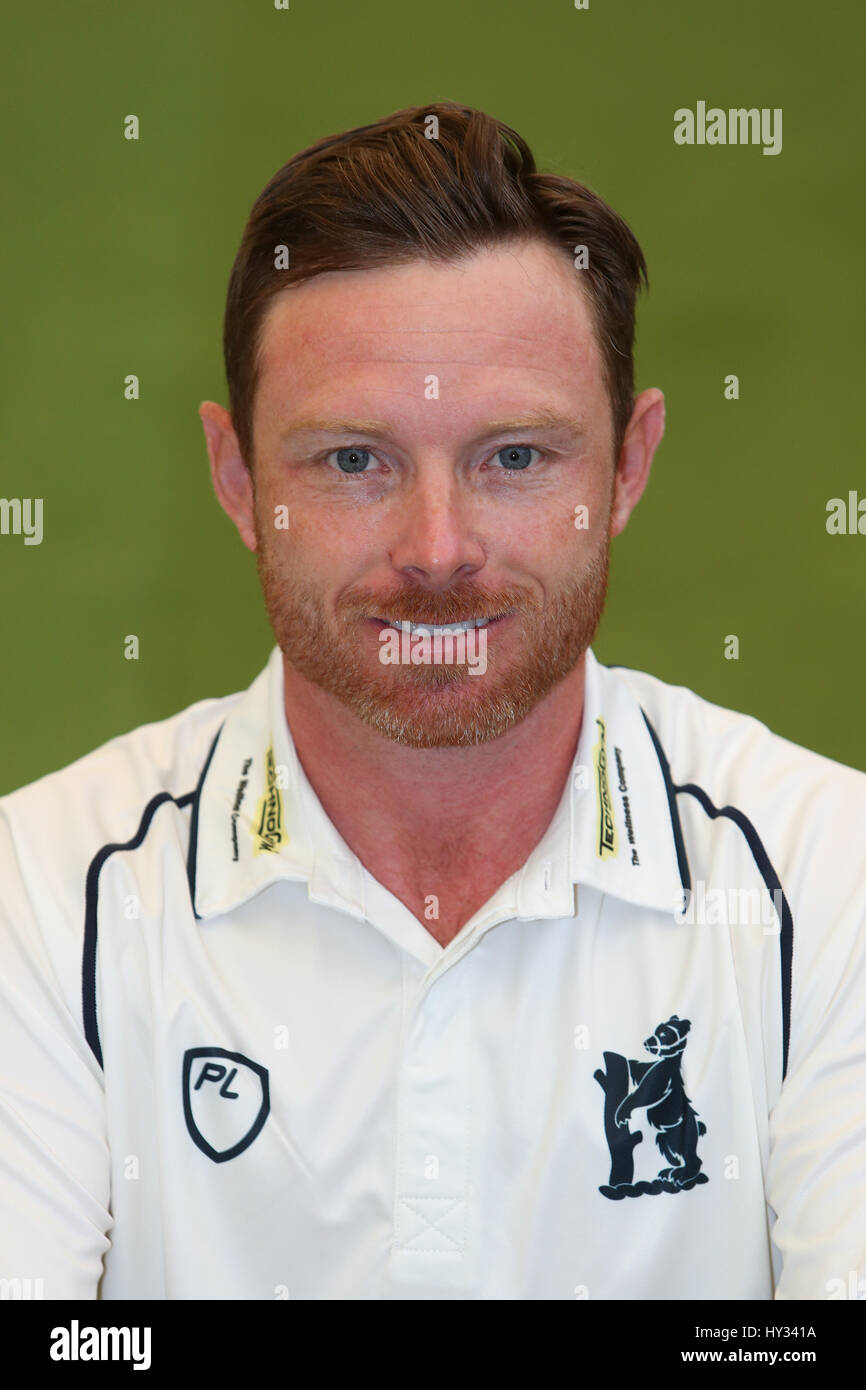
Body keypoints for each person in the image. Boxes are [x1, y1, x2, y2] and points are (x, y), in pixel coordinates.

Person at [1, 101, 863, 1302]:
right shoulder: (38, 899)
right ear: (237, 480)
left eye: (514, 456)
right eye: (354, 460)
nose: (438, 547)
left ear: (627, 467)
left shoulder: (831, 886)